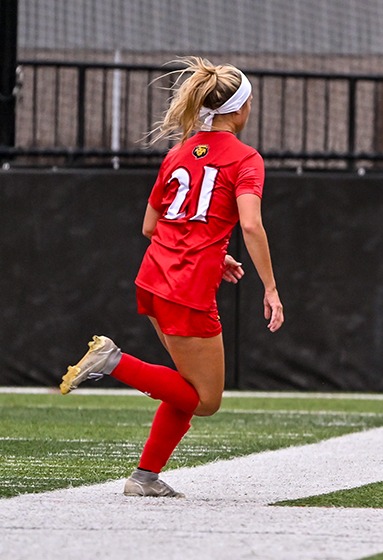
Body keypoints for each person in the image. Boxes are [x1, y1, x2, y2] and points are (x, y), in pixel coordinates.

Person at [59, 57, 284, 497]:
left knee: (184, 387)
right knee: (206, 401)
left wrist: (214, 255)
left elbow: (151, 226)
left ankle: (144, 477)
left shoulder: (178, 152)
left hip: (154, 278)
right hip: (187, 290)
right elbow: (252, 225)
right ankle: (113, 361)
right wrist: (271, 288)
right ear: (239, 109)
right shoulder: (245, 158)